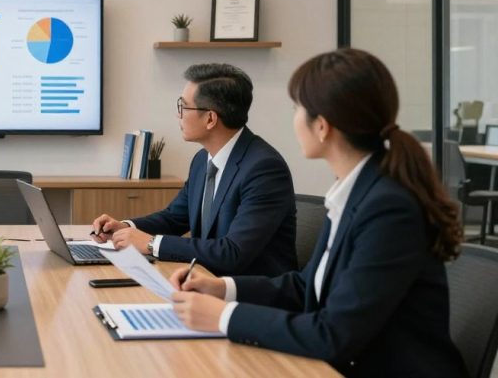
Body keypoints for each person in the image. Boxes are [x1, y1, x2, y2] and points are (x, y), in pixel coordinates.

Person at [169, 49, 468, 377]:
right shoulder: (356, 190)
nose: (294, 118)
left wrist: (223, 317)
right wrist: (222, 288)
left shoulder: (389, 208)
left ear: (322, 126)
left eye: (297, 108)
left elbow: (333, 334)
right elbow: (306, 286)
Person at [92, 63, 297, 276]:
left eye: (183, 106)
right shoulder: (202, 159)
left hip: (250, 298)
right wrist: (125, 227)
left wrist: (152, 244)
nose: (177, 115)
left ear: (210, 118)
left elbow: (233, 253)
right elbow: (174, 218)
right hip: (205, 282)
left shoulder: (264, 169)